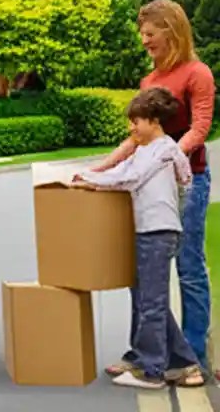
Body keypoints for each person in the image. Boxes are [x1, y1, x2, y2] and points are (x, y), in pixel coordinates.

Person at [94, 0, 215, 377]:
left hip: (188, 181)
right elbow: (136, 139)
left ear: (171, 31)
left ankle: (194, 355)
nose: (144, 41)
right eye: (142, 34)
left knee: (190, 266)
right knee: (143, 273)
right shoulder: (150, 81)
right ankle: (142, 351)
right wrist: (99, 167)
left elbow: (200, 127)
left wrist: (168, 156)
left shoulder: (198, 73)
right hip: (149, 186)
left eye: (150, 34)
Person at [75, 87, 204, 389]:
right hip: (147, 229)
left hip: (159, 230)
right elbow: (123, 170)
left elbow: (133, 179)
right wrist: (90, 175)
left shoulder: (164, 149)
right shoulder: (145, 150)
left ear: (154, 121)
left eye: (136, 121)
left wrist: (92, 182)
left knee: (151, 302)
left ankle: (152, 370)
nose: (131, 128)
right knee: (148, 298)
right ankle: (183, 364)